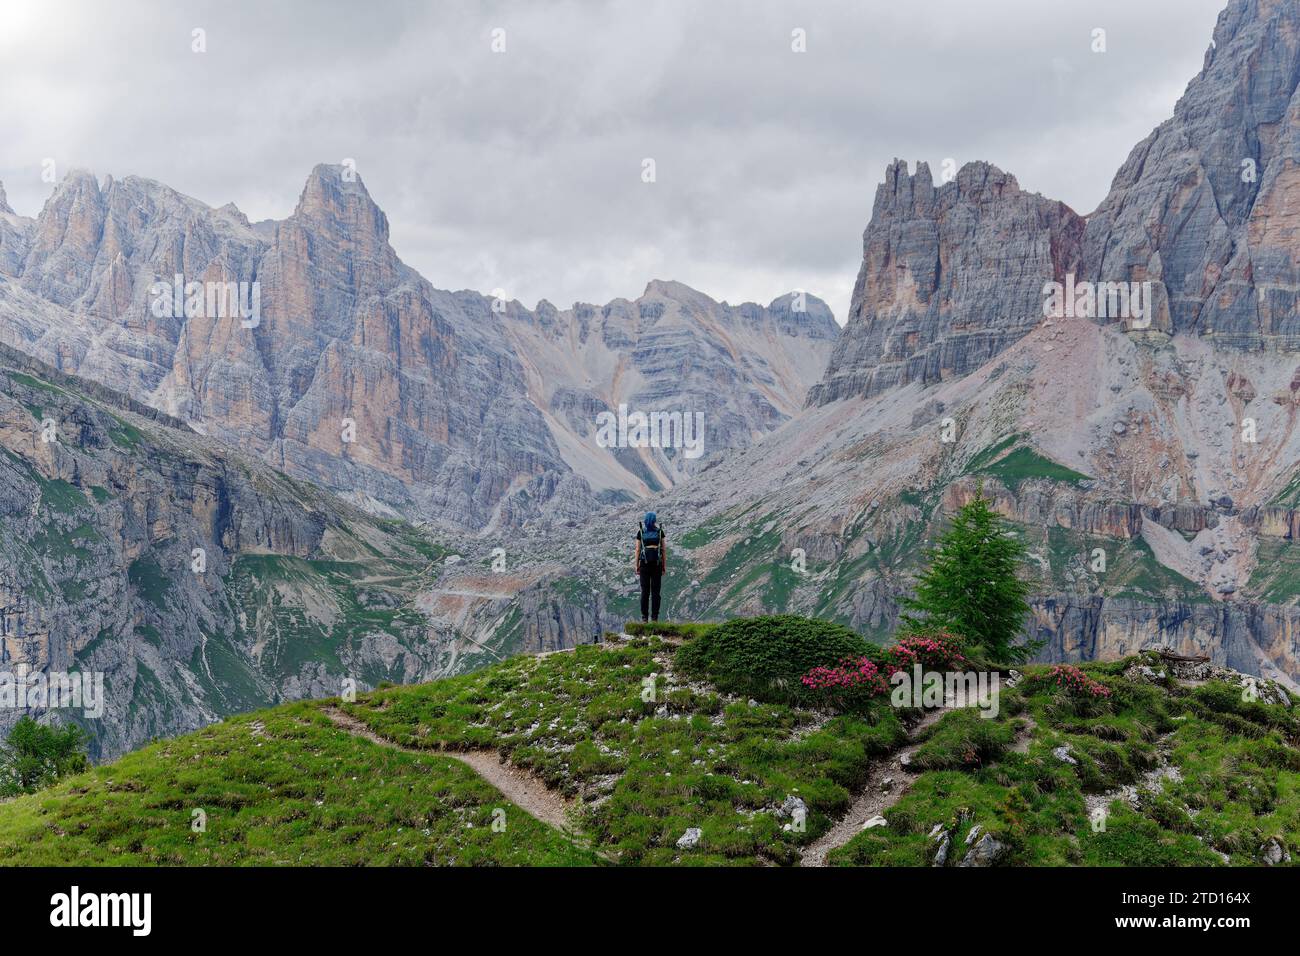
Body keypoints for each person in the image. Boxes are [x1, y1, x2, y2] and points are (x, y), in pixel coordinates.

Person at [634, 511, 666, 622]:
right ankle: (655, 617)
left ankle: (644, 618)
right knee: (656, 592)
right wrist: (664, 565)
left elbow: (638, 549)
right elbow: (663, 550)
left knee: (645, 592)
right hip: (657, 564)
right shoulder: (660, 531)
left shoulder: (641, 532)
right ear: (654, 520)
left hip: (644, 564)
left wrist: (636, 565)